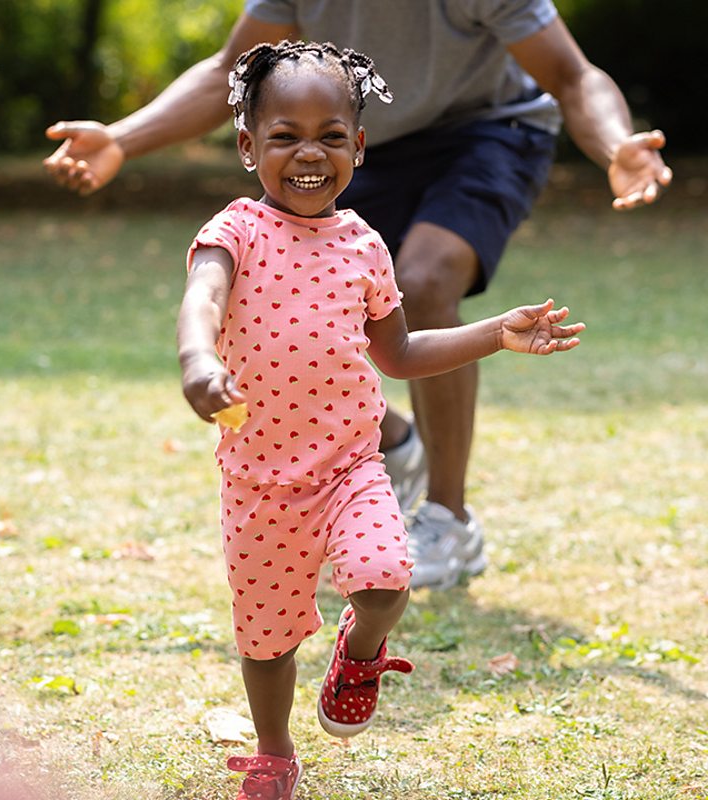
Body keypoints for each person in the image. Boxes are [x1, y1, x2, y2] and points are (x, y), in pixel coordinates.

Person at [44, 0, 670, 590]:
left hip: (485, 131)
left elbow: (570, 73)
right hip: (348, 141)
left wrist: (615, 144)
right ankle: (390, 441)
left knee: (423, 283)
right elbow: (226, 73)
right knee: (289, 293)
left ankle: (449, 521)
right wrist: (122, 138)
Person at [177, 40, 584, 799]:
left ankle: (358, 655)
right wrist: (199, 361)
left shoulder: (363, 246)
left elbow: (397, 351)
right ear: (246, 146)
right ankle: (274, 752)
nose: (310, 153)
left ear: (358, 147)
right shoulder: (235, 229)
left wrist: (494, 332)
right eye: (284, 136)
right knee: (265, 641)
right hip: (258, 482)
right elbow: (202, 297)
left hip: (350, 467)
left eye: (331, 136)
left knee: (385, 578)